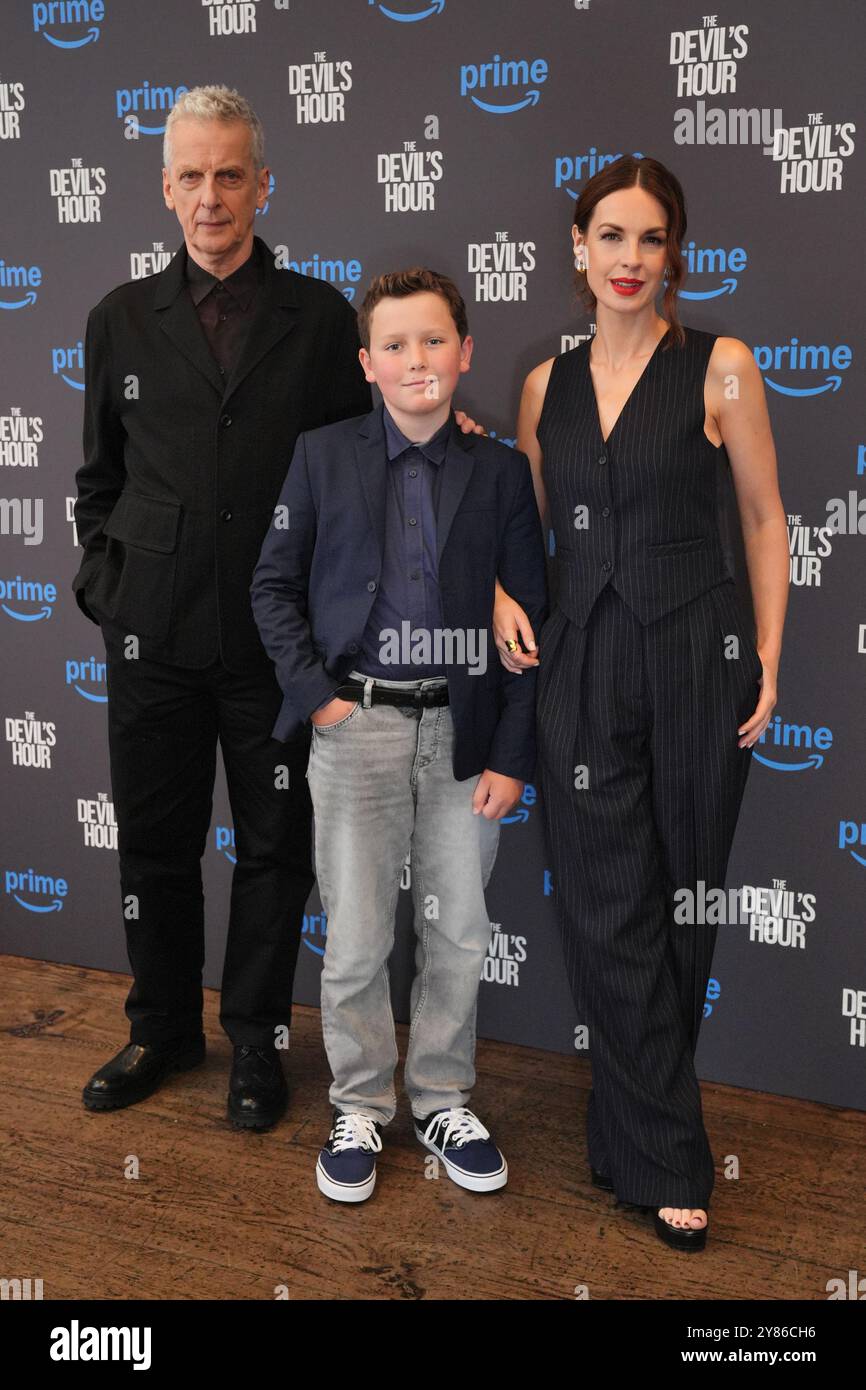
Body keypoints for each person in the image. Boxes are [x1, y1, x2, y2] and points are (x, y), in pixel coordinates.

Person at [71, 85, 481, 1129]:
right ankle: (161, 1027)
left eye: (230, 174)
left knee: (273, 848)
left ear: (264, 183)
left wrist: (445, 420)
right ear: (165, 187)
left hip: (277, 643)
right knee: (154, 847)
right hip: (151, 634)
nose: (212, 196)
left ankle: (255, 1039)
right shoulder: (117, 319)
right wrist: (106, 587)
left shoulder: (318, 318)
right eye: (192, 176)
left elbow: (379, 455)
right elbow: (97, 481)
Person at [492, 156, 788, 1250]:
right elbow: (520, 528)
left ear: (674, 254)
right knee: (606, 906)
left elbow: (762, 518)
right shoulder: (541, 385)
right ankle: (669, 1155)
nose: (627, 260)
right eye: (607, 236)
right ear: (576, 246)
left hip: (694, 663)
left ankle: (627, 1132)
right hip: (576, 664)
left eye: (648, 239)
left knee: (681, 903)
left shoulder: (720, 368)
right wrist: (491, 591)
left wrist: (765, 654)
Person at [250, 267, 548, 1201]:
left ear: (465, 353)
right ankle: (361, 1104)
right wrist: (321, 700)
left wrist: (510, 752)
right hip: (358, 723)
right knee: (356, 936)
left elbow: (530, 618)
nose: (416, 358)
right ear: (367, 363)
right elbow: (273, 587)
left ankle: (444, 1096)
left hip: (464, 731)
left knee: (457, 930)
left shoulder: (498, 471)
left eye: (433, 341)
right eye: (394, 344)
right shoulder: (321, 455)